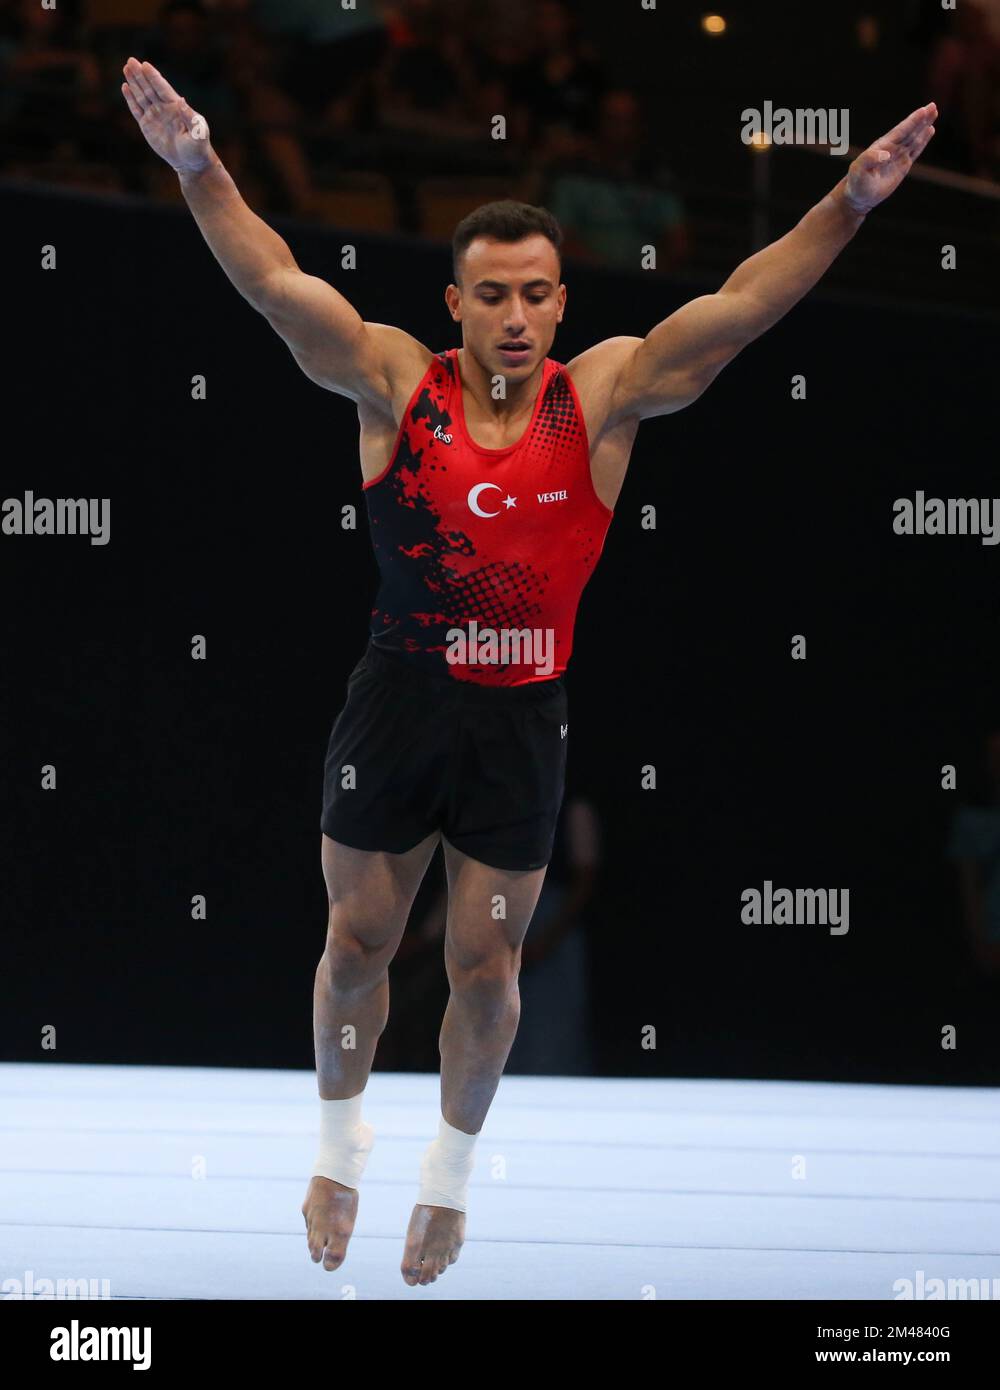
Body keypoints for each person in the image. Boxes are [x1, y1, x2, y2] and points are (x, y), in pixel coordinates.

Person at [120, 55, 938, 1285]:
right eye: (491, 293)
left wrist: (849, 201)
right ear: (454, 302)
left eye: (535, 295)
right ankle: (339, 1153)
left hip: (518, 720)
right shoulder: (397, 380)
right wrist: (199, 167)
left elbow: (741, 304)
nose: (513, 315)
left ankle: (445, 1186)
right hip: (397, 698)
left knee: (485, 965)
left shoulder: (604, 396)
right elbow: (278, 285)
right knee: (357, 937)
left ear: (561, 307)